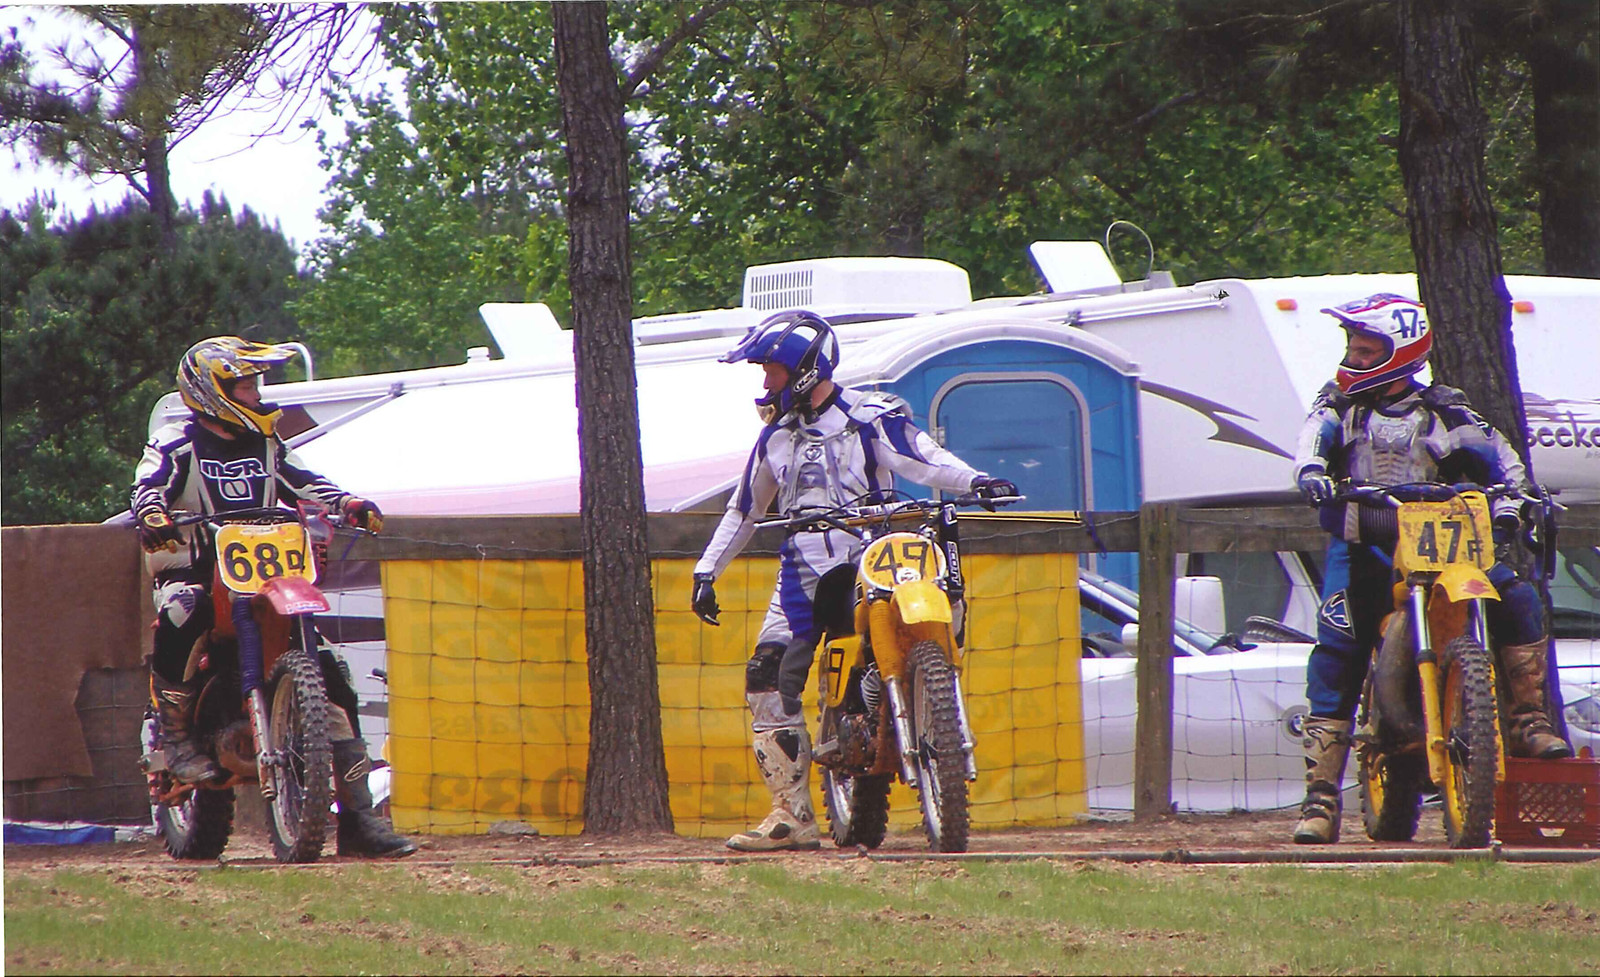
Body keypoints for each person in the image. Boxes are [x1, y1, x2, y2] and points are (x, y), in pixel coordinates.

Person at [690, 310, 1016, 851]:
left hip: (872, 557)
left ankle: (922, 720)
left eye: (770, 370)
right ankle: (791, 815)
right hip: (801, 573)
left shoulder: (871, 416)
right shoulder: (774, 438)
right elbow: (744, 510)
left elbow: (923, 458)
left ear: (803, 370)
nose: (765, 382)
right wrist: (706, 571)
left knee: (931, 613)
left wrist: (976, 480)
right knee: (765, 677)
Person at [1290, 294, 1572, 845]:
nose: (1352, 359)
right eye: (1352, 348)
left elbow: (1501, 456)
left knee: (1518, 598)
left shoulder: (1447, 409)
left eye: (1365, 351)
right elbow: (1311, 442)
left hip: (1445, 543)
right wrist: (1312, 473)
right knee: (1339, 645)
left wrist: (1514, 497)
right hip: (1365, 543)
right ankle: (1320, 798)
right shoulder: (1339, 407)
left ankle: (1528, 720)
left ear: (1399, 352)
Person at [132, 336, 417, 858]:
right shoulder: (176, 442)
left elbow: (305, 481)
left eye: (255, 384)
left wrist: (347, 503)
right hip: (196, 566)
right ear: (212, 389)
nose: (256, 393)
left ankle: (358, 820)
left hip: (266, 572)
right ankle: (176, 736)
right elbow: (148, 485)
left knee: (332, 676)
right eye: (244, 385)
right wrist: (153, 512)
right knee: (183, 608)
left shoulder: (266, 442)